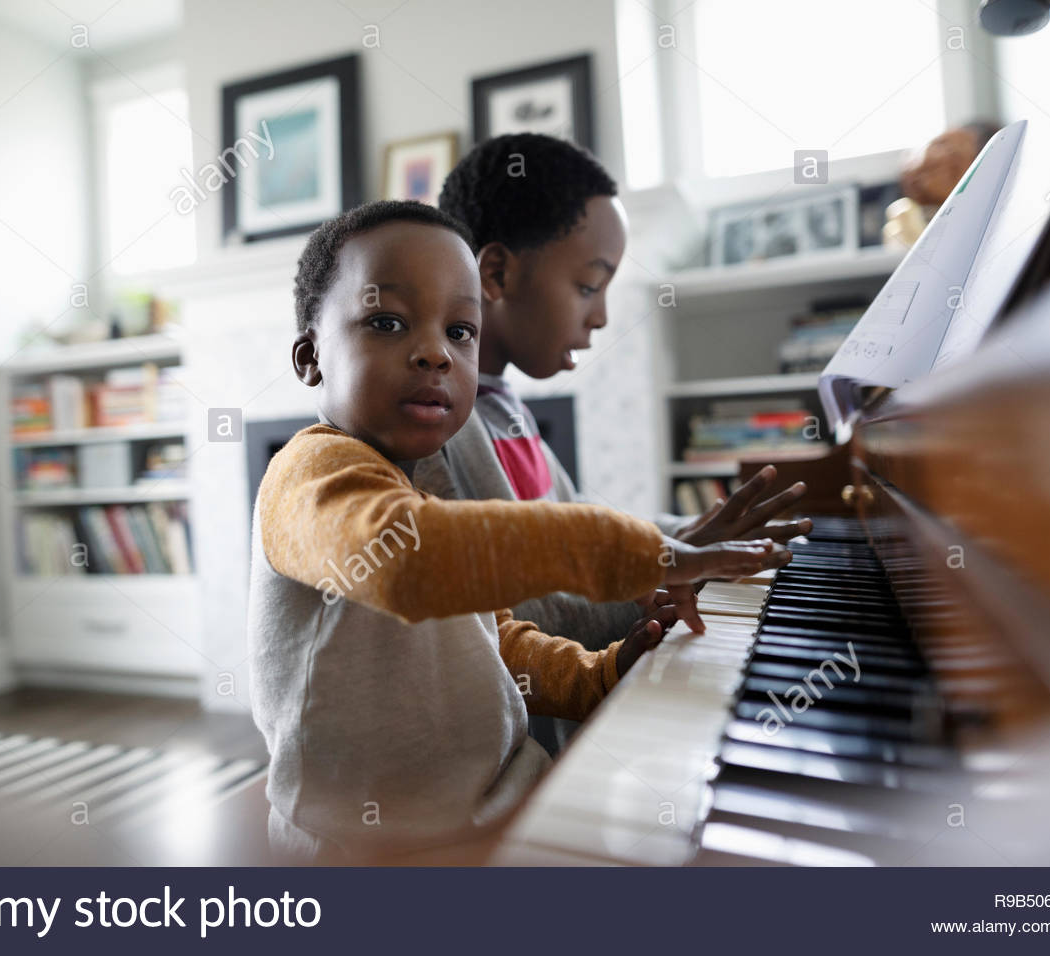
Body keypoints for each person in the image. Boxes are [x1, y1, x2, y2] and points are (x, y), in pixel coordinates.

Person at [247, 200, 791, 862]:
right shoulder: (307, 474)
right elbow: (405, 566)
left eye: (461, 331)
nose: (433, 353)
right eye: (386, 322)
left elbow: (494, 640)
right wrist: (637, 554)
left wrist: (599, 674)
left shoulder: (416, 483)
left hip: (506, 803)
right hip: (370, 850)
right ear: (310, 358)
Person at [422, 133, 812, 752]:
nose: (601, 315)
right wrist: (671, 556)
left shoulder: (505, 408)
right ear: (495, 273)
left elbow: (576, 531)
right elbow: (517, 620)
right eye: (588, 285)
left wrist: (685, 535)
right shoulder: (434, 430)